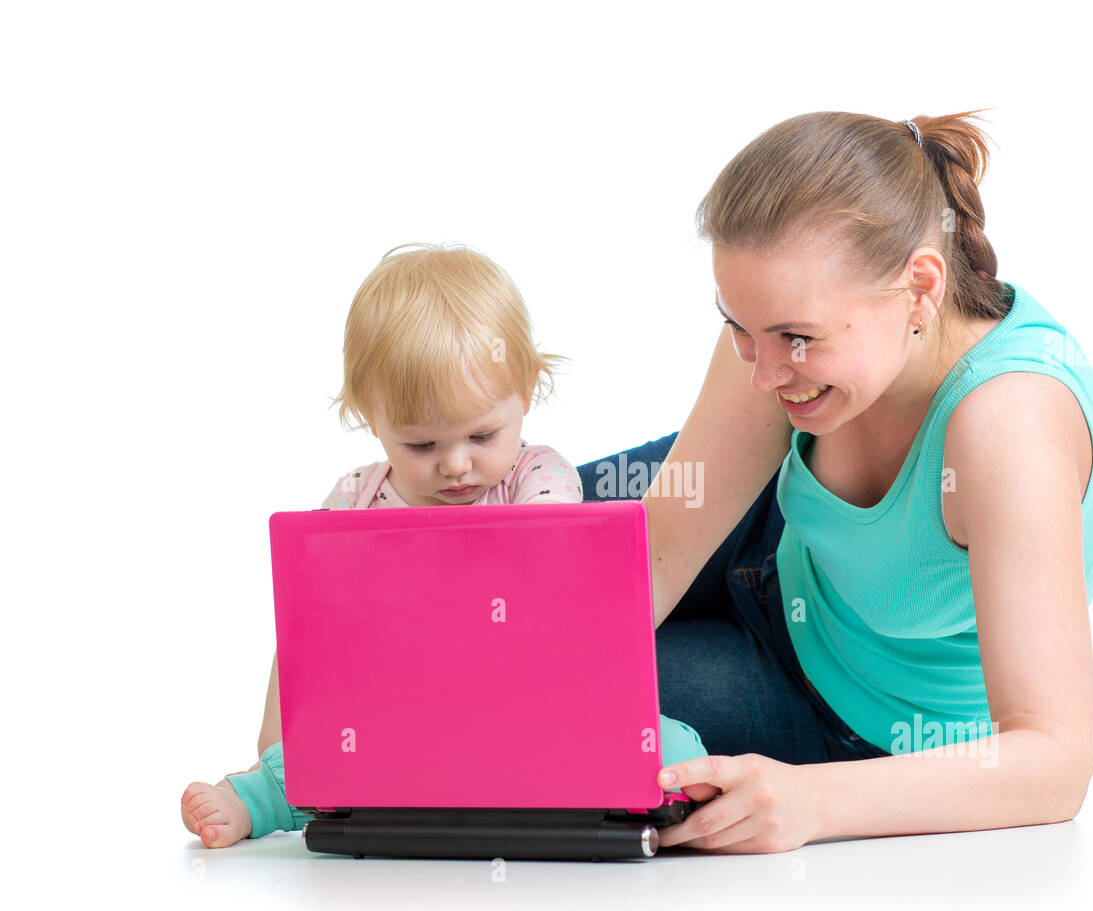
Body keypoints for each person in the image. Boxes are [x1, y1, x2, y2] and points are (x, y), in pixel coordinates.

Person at [574, 109, 1093, 854]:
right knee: (491, 534)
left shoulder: (1008, 429)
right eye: (739, 327)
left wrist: (809, 801)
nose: (762, 374)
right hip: (770, 525)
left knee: (552, 713)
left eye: (797, 339)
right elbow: (666, 544)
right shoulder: (780, 331)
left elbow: (1056, 763)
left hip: (852, 710)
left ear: (921, 287)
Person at [180, 244, 706, 847]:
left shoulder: (539, 478)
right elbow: (306, 628)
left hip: (530, 703)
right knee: (311, 765)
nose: (456, 467)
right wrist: (279, 749)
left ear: (528, 391)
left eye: (482, 434)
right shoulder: (354, 498)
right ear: (370, 419)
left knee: (674, 750)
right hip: (401, 717)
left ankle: (630, 802)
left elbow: (552, 577)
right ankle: (259, 801)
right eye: (421, 446)